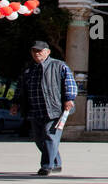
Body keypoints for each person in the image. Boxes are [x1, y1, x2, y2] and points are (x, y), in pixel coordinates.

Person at [11, 40, 77, 175]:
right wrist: (15, 103)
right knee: (39, 139)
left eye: (39, 51)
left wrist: (69, 99)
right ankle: (56, 163)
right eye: (34, 51)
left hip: (53, 109)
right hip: (34, 110)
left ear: (48, 52)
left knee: (49, 136)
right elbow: (20, 88)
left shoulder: (59, 65)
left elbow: (70, 83)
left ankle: (46, 166)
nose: (36, 53)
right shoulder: (28, 69)